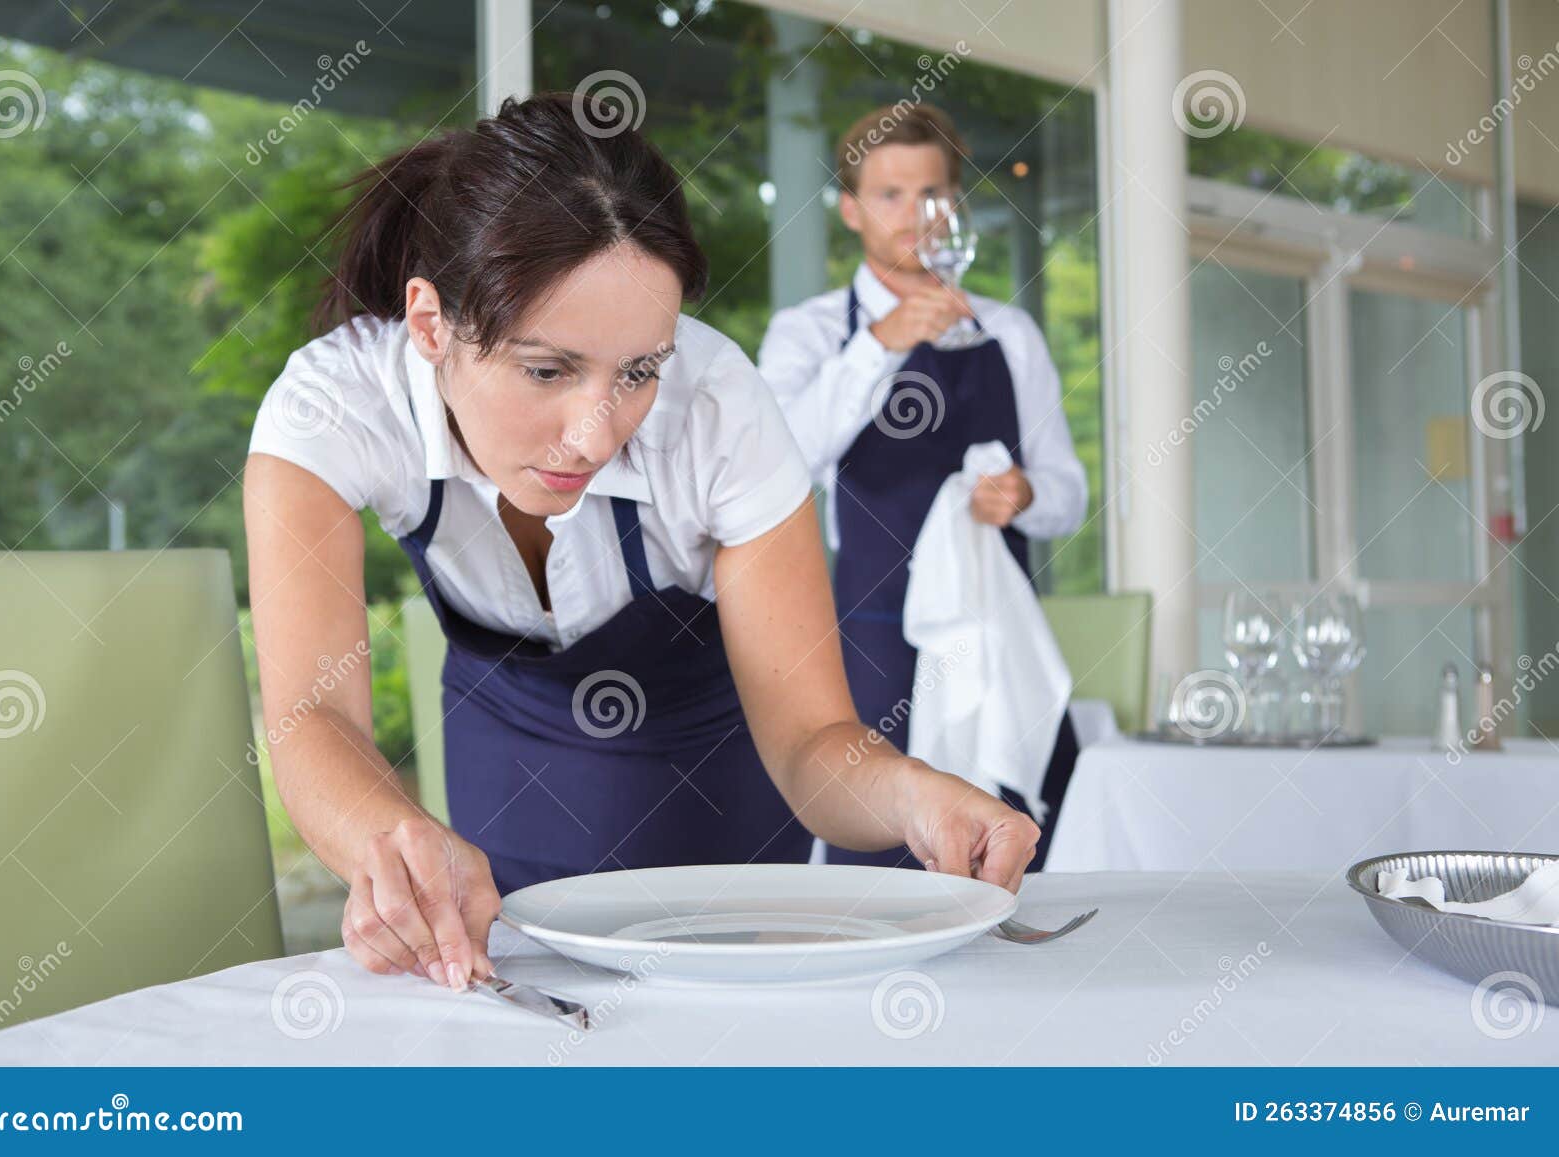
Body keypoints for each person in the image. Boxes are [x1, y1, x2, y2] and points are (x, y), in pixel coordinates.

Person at [243, 93, 1041, 993]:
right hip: (503, 749)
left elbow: (814, 736)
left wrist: (911, 794)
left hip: (717, 773)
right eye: (548, 370)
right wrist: (387, 839)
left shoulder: (719, 409)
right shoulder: (335, 405)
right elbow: (314, 716)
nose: (595, 434)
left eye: (639, 371)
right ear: (431, 324)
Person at [757, 104, 1088, 872]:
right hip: (871, 643)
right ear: (850, 209)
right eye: (890, 195)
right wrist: (880, 343)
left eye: (932, 195)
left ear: (957, 206)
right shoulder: (808, 333)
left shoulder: (1010, 332)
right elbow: (784, 459)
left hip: (999, 635)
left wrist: (1028, 494)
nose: (915, 217)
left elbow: (1069, 489)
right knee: (878, 866)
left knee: (1030, 849)